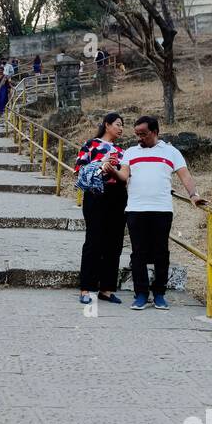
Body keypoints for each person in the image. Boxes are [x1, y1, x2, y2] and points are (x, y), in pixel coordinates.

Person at [117, 116, 206, 310]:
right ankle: (141, 294)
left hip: (162, 210)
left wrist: (194, 195)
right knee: (138, 252)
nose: (139, 138)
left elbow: (185, 175)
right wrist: (112, 171)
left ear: (155, 132)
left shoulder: (171, 152)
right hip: (135, 209)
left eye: (144, 134)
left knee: (160, 253)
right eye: (137, 134)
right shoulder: (130, 152)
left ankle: (159, 294)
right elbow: (123, 175)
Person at [75, 113, 127, 306]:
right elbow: (79, 170)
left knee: (114, 243)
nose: (121, 129)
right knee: (93, 241)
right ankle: (86, 287)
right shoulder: (91, 145)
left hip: (118, 195)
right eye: (118, 124)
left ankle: (106, 288)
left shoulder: (123, 151)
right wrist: (100, 165)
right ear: (107, 125)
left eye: (122, 126)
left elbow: (126, 174)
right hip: (96, 194)